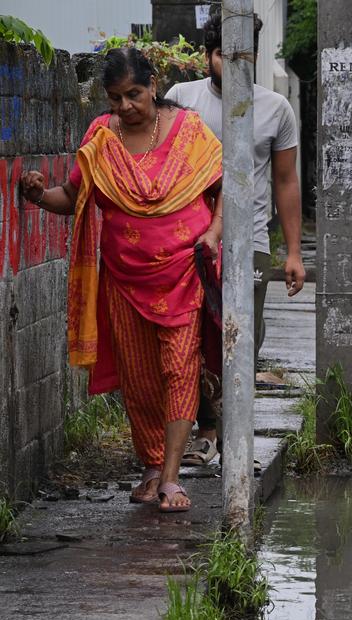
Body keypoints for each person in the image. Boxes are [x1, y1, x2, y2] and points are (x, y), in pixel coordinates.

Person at [19, 47, 223, 513]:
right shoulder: (101, 137)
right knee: (139, 377)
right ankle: (152, 465)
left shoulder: (189, 131)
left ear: (154, 84)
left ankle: (171, 477)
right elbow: (73, 196)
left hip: (183, 274)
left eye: (134, 94)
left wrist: (212, 231)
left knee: (179, 368)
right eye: (116, 98)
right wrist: (37, 195)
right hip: (123, 280)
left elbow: (224, 188)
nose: (126, 106)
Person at [167, 9, 305, 467]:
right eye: (225, 55)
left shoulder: (274, 108)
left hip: (252, 246)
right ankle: (207, 430)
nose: (234, 64)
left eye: (243, 56)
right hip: (186, 243)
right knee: (191, 338)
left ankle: (228, 430)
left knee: (244, 338)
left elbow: (286, 182)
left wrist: (294, 253)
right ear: (208, 57)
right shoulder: (181, 101)